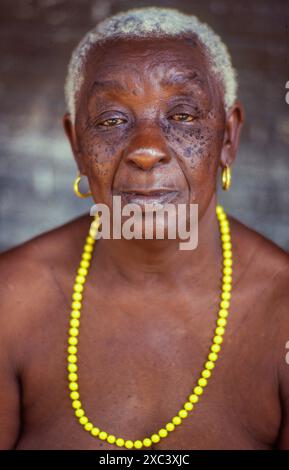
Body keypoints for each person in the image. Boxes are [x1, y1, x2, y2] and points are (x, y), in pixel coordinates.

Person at [0, 6, 288, 450]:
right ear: (77, 144)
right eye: (113, 120)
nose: (148, 150)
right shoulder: (11, 301)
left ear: (228, 137)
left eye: (183, 115)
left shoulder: (281, 312)